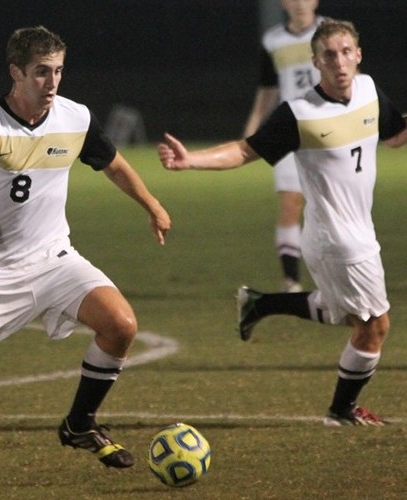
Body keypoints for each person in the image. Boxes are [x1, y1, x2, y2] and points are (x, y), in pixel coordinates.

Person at [0, 26, 171, 487]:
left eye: (58, 71)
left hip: (53, 258)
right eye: (41, 72)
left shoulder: (75, 117)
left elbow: (114, 163)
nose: (52, 82)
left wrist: (153, 205)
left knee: (120, 324)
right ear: (16, 73)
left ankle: (79, 424)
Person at [158, 19, 407, 426]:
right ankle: (340, 411)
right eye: (329, 55)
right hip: (338, 240)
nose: (339, 62)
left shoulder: (369, 90)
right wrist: (191, 161)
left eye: (346, 52)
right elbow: (244, 151)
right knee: (374, 325)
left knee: (344, 312)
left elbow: (396, 135)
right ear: (315, 62)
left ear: (358, 56)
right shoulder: (299, 113)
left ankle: (261, 303)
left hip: (354, 232)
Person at [242, 0, 325, 293]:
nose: (301, 3)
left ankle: (330, 275)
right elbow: (267, 90)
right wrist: (251, 131)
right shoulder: (273, 40)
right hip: (288, 130)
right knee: (290, 203)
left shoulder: (330, 33)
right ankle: (291, 281)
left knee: (328, 208)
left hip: (327, 131)